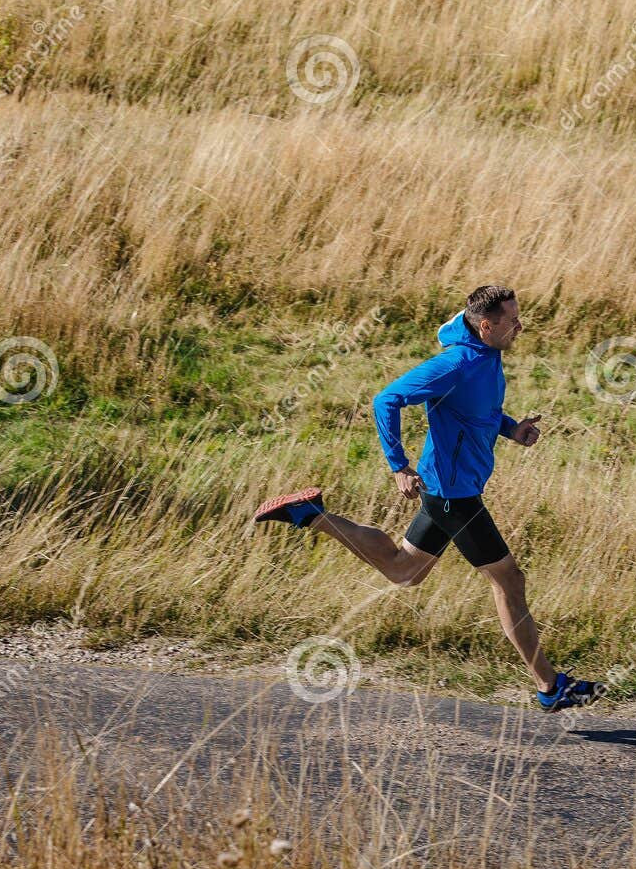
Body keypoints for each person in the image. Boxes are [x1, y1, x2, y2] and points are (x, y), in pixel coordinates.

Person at [254, 285, 605, 711]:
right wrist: (398, 465)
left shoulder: (487, 356)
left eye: (519, 315)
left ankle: (309, 514)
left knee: (404, 572)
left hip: (451, 489)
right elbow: (387, 400)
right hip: (454, 495)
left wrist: (511, 428)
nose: (520, 325)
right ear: (487, 325)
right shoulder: (455, 363)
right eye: (512, 320)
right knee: (509, 580)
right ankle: (550, 687)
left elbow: (479, 411)